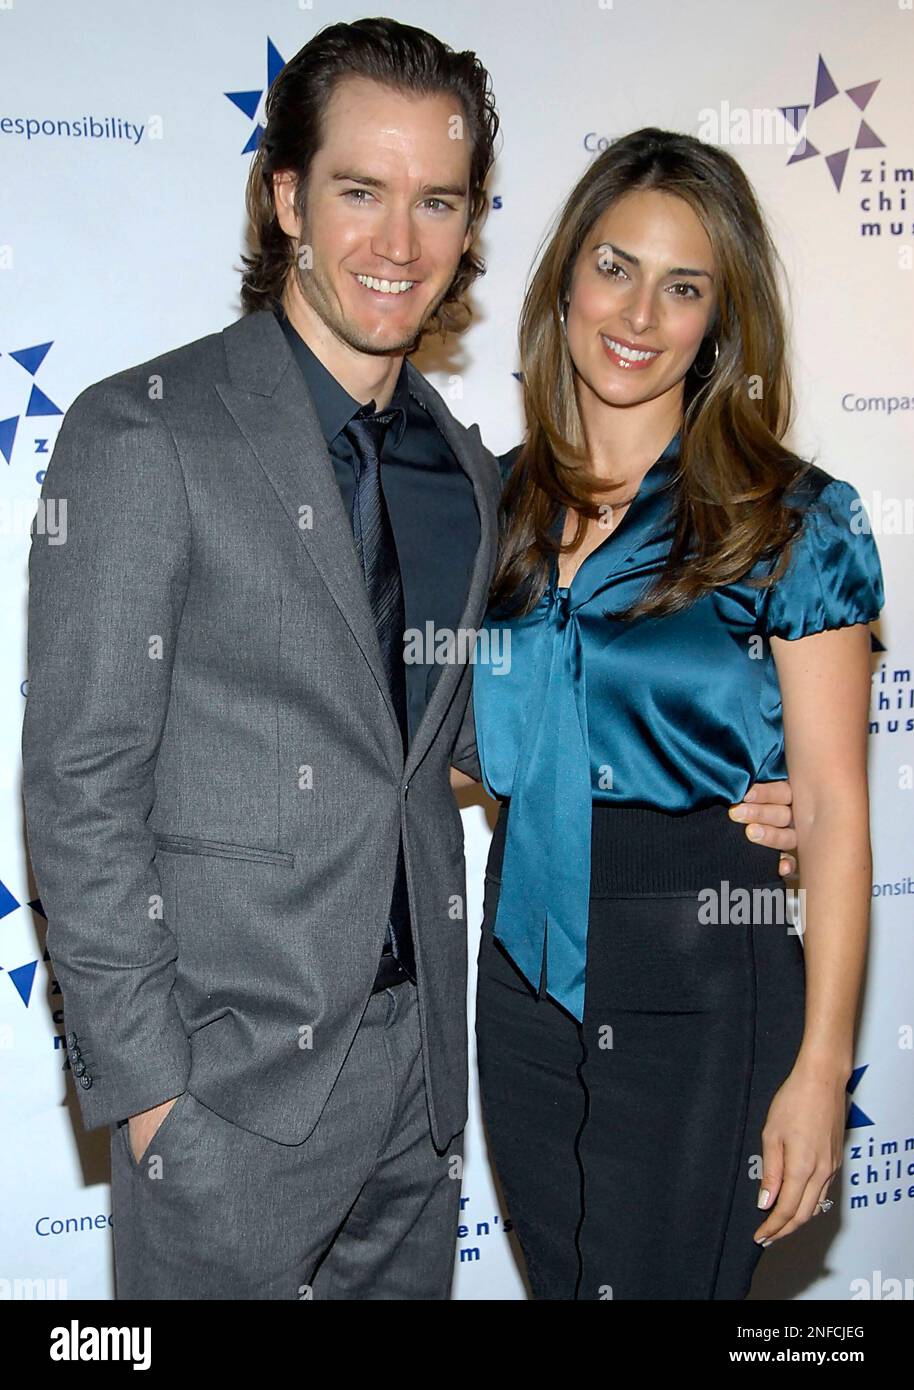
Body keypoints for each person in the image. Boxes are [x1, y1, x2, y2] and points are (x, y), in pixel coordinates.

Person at [21, 18, 797, 1301]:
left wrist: (730, 794)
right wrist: (150, 1091)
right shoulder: (141, 433)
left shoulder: (466, 473)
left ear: (470, 225)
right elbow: (79, 781)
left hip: (424, 1080)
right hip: (224, 1089)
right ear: (284, 200)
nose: (397, 245)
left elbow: (469, 739)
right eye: (358, 194)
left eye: (435, 201)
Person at [459, 128, 883, 1300]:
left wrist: (817, 1070)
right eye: (614, 266)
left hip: (705, 969)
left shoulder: (794, 520)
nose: (638, 311)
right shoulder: (485, 504)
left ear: (717, 319)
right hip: (521, 972)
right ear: (562, 282)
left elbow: (836, 812)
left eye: (682, 284)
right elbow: (450, 746)